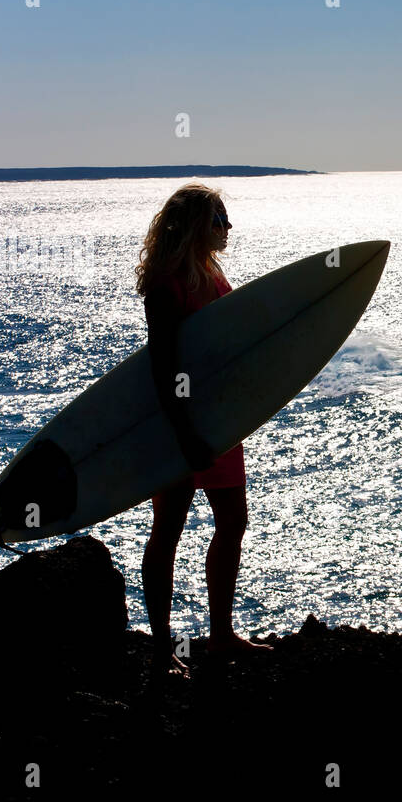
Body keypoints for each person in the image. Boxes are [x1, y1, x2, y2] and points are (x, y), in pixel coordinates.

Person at [133, 183, 272, 679]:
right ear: (196, 224)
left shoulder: (210, 272)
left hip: (218, 420)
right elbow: (164, 367)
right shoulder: (166, 285)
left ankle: (219, 636)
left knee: (233, 520)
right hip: (181, 424)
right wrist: (184, 432)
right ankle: (159, 650)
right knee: (167, 531)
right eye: (219, 219)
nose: (228, 227)